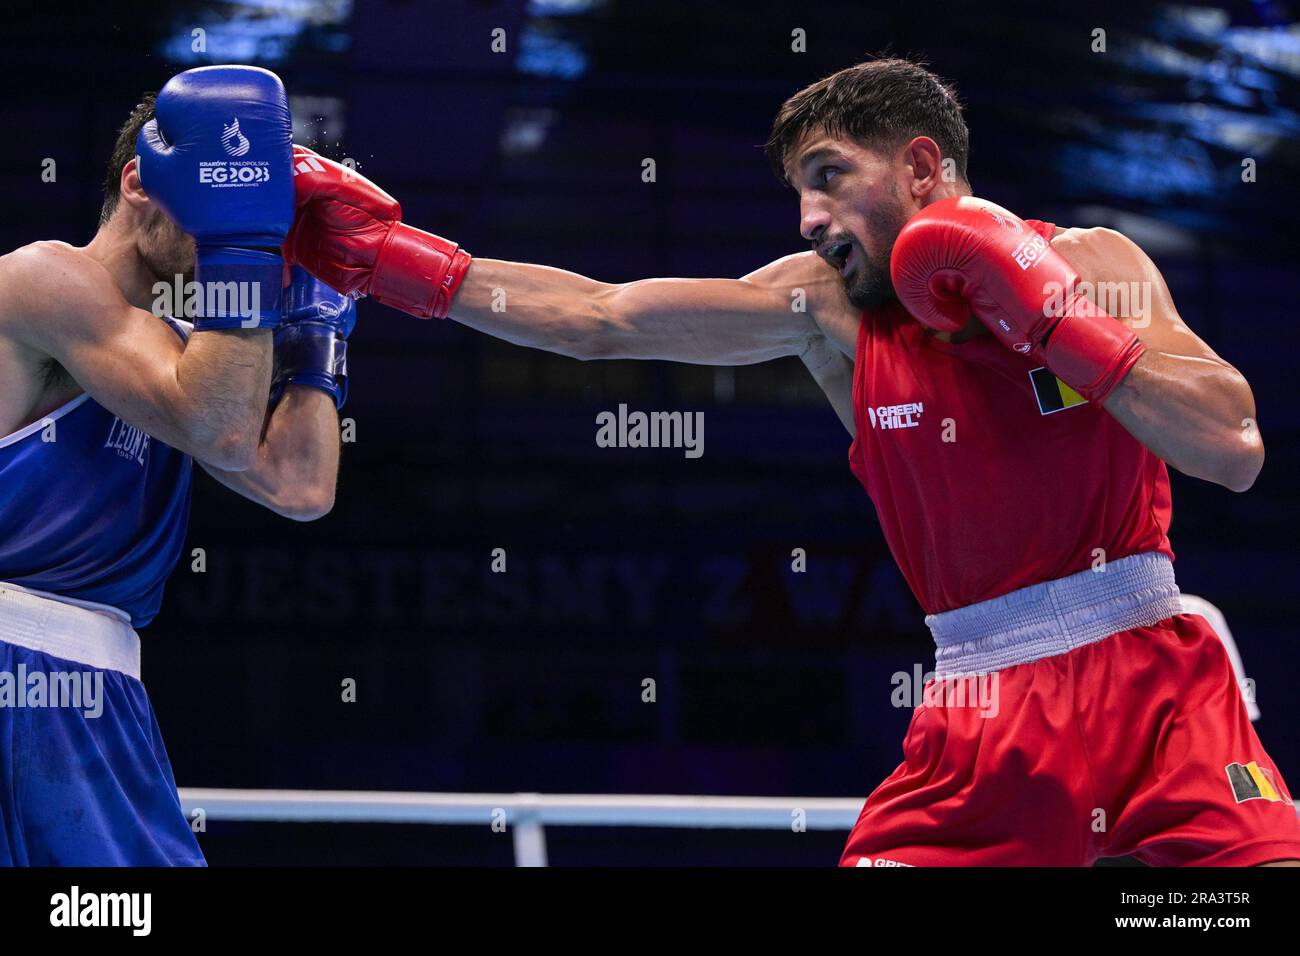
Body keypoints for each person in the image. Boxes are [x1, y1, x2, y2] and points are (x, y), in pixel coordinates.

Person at [285, 57, 1300, 866]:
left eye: (828, 180)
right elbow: (599, 318)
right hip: (983, 703)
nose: (808, 219)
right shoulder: (826, 308)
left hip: (1155, 678)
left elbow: (1232, 447)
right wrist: (389, 259)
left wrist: (1051, 315)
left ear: (917, 167)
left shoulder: (1096, 262)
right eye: (798, 194)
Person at [0, 66, 351, 865]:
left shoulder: (188, 364)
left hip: (89, 688)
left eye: (267, 212)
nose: (253, 231)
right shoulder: (45, 279)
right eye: (234, 196)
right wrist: (245, 259)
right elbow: (225, 434)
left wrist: (314, 339)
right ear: (140, 183)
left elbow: (299, 486)